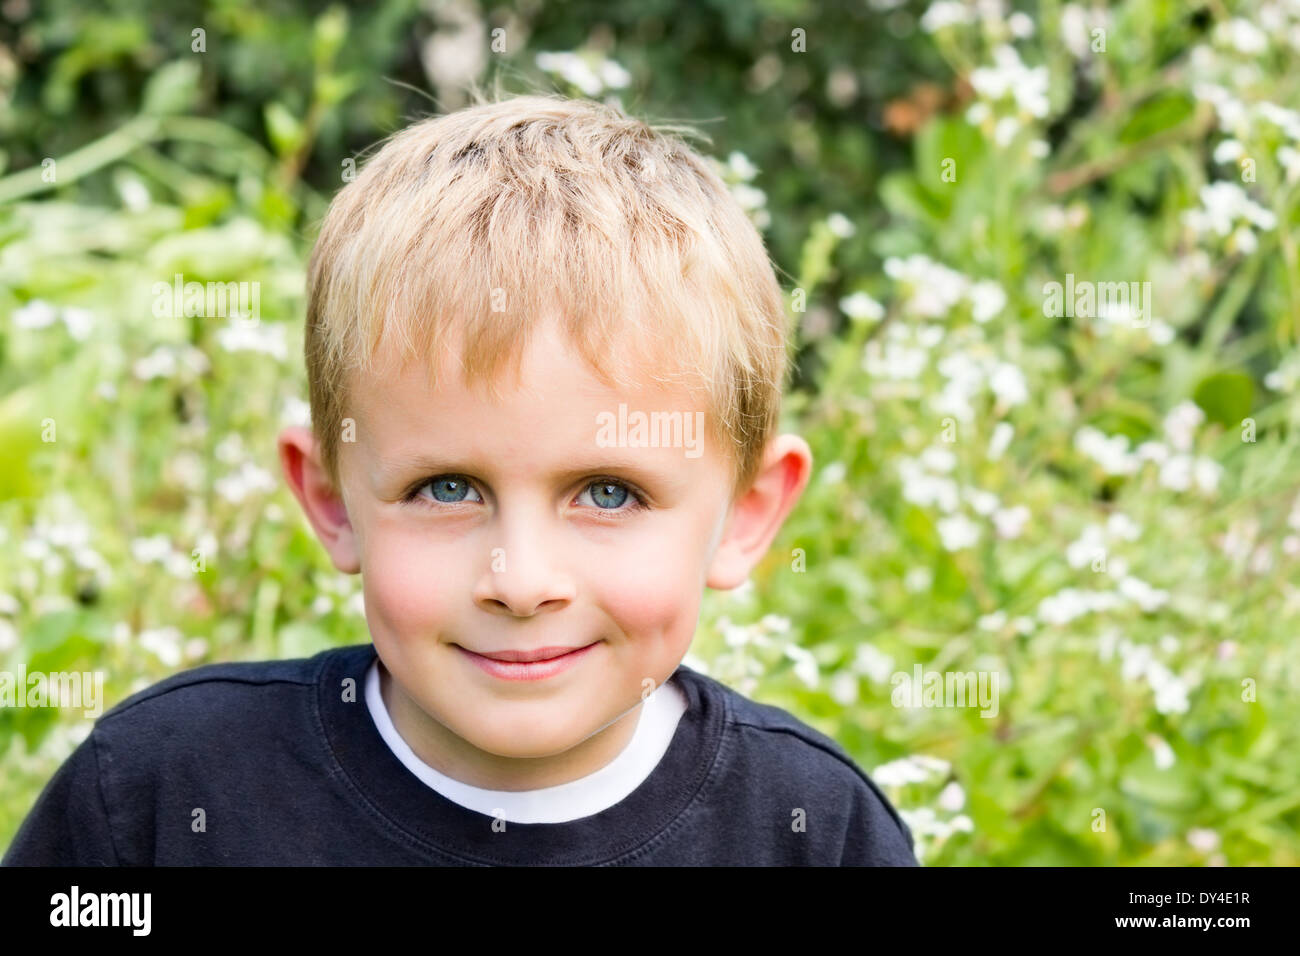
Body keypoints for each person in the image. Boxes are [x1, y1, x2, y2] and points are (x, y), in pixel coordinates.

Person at [3, 92, 916, 866]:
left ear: (747, 514)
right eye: (446, 489)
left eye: (608, 492)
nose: (521, 583)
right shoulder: (161, 797)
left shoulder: (812, 832)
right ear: (330, 499)